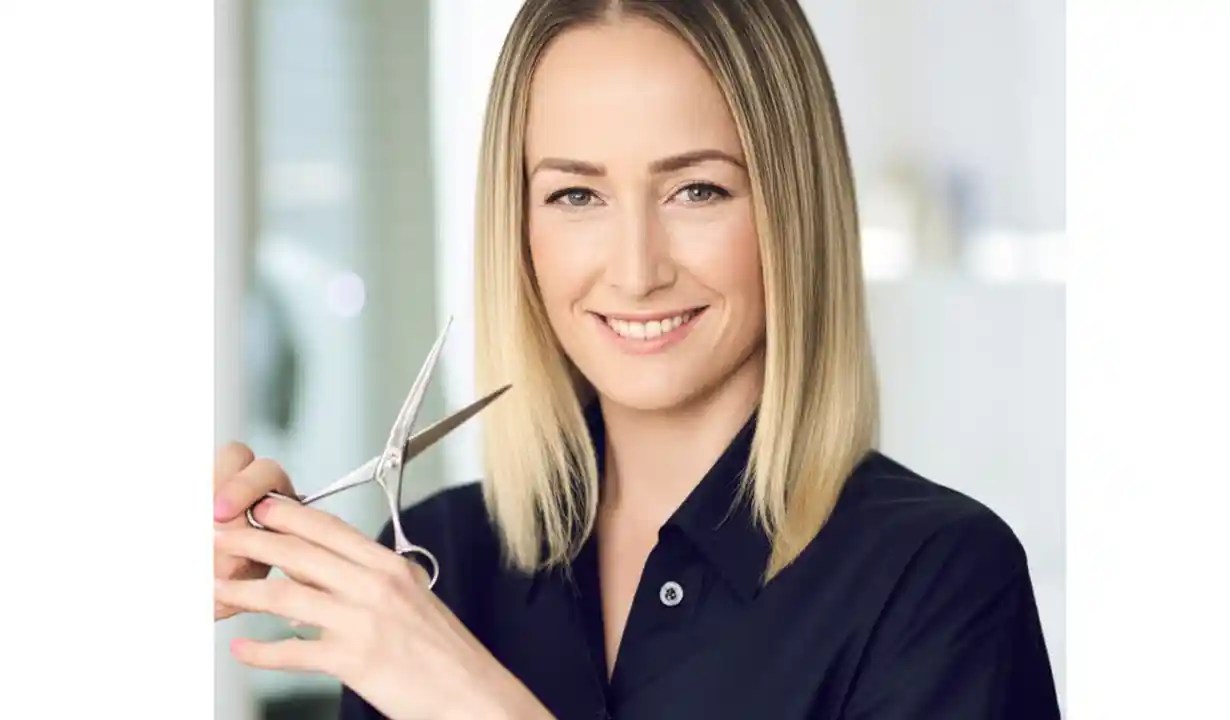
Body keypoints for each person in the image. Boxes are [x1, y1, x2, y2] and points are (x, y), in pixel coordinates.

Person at [212, 1, 1062, 718]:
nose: (635, 268)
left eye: (698, 189)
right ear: (522, 227)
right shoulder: (434, 565)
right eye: (576, 194)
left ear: (791, 210)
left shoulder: (938, 580)